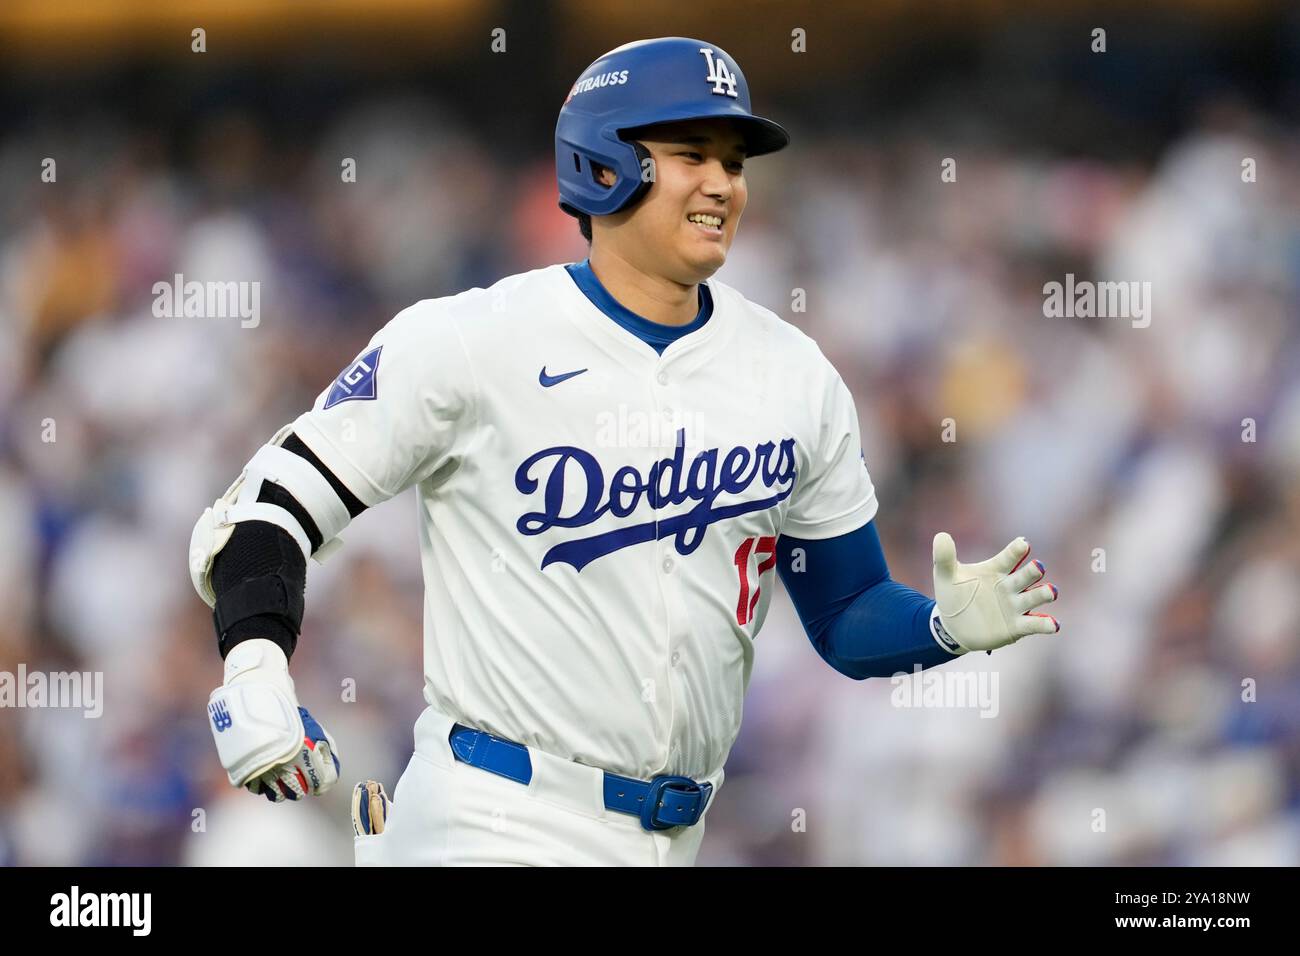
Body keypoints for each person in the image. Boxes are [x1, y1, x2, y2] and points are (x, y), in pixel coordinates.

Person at [188, 36, 1059, 867]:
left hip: (670, 835)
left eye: (735, 162)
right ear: (604, 165)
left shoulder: (793, 374)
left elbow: (847, 612)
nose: (723, 183)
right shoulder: (472, 341)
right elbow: (267, 512)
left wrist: (940, 628)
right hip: (492, 816)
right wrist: (257, 667)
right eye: (693, 154)